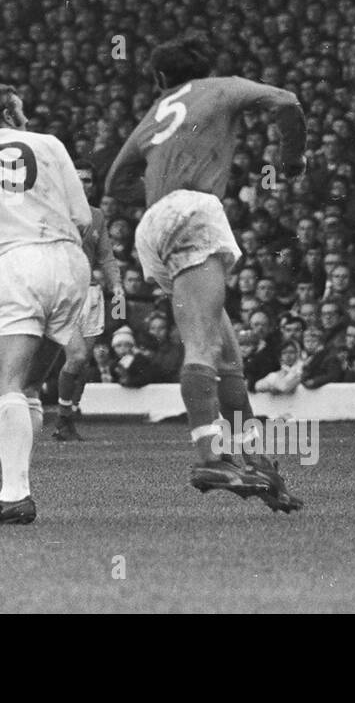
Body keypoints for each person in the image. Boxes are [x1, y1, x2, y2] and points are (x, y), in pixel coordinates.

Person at [105, 33, 305, 511]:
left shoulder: (155, 111)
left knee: (227, 357)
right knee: (201, 347)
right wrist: (290, 159)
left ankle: (256, 464)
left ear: (159, 78)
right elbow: (287, 101)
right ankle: (210, 456)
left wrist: (158, 195)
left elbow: (115, 181)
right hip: (193, 212)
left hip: (152, 227)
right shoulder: (221, 86)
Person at [0, 83, 90, 525]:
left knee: (4, 385)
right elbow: (83, 217)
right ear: (8, 113)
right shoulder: (49, 144)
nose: (26, 117)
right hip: (70, 261)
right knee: (27, 388)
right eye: (21, 110)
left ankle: (14, 495)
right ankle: (16, 489)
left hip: (17, 263)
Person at [53, 160, 121, 441]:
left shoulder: (97, 216)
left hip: (92, 294)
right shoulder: (55, 213)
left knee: (82, 362)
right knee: (77, 355)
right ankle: (62, 415)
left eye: (89, 180)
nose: (83, 185)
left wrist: (116, 283)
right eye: (78, 179)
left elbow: (105, 254)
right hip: (65, 293)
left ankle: (67, 416)